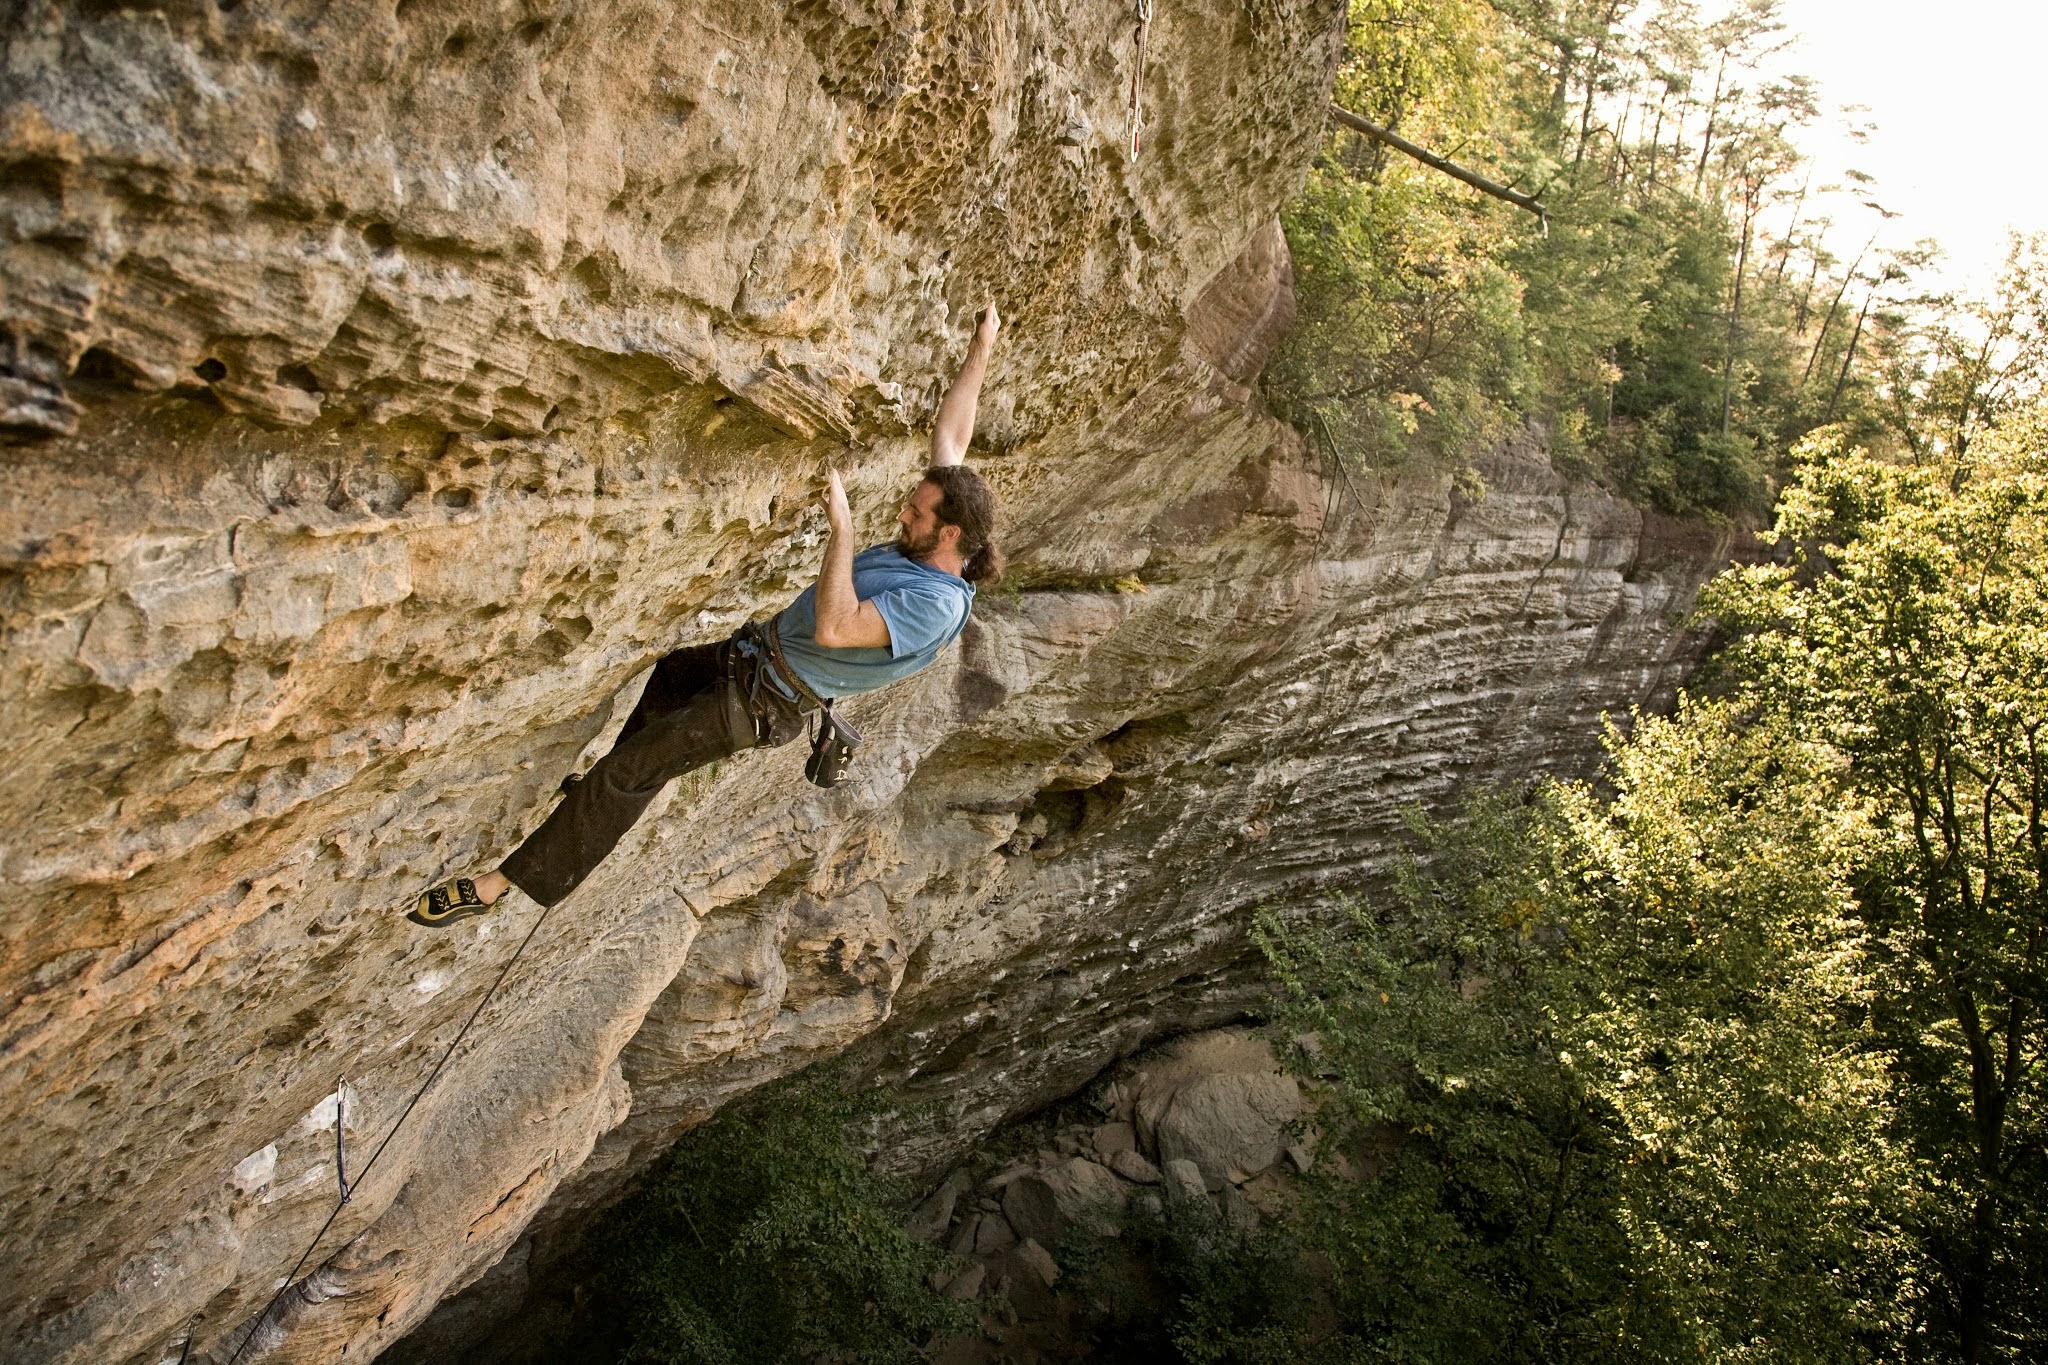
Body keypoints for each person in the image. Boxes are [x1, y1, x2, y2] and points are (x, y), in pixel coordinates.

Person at [409, 306, 1005, 926]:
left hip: (758, 704)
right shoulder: (940, 526)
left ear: (950, 533)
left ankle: (492, 888)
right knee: (666, 677)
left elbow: (836, 626)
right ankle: (599, 796)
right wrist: (981, 345)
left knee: (630, 772)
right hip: (751, 659)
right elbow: (952, 437)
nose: (905, 515)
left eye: (917, 514)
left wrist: (843, 531)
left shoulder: (935, 607)